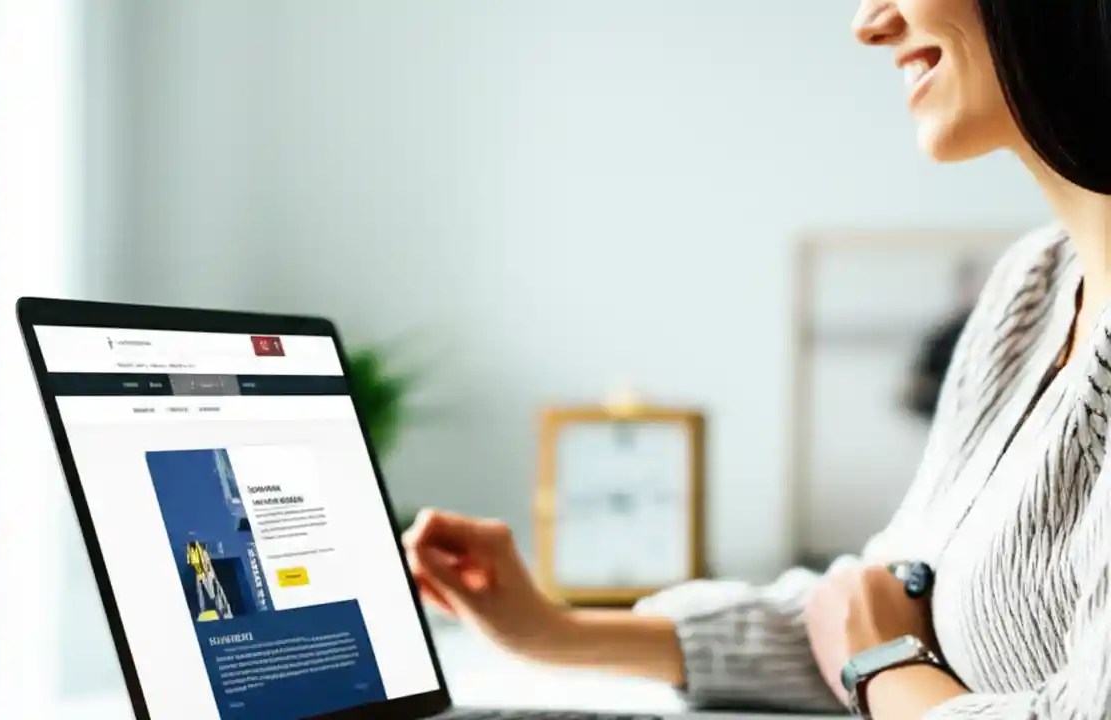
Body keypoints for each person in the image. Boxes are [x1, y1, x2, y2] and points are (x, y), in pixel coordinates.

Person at [402, 1, 1111, 718]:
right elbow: (879, 609)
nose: (869, 21)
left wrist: (884, 665)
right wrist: (554, 631)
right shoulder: (1031, 289)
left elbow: (879, 645)